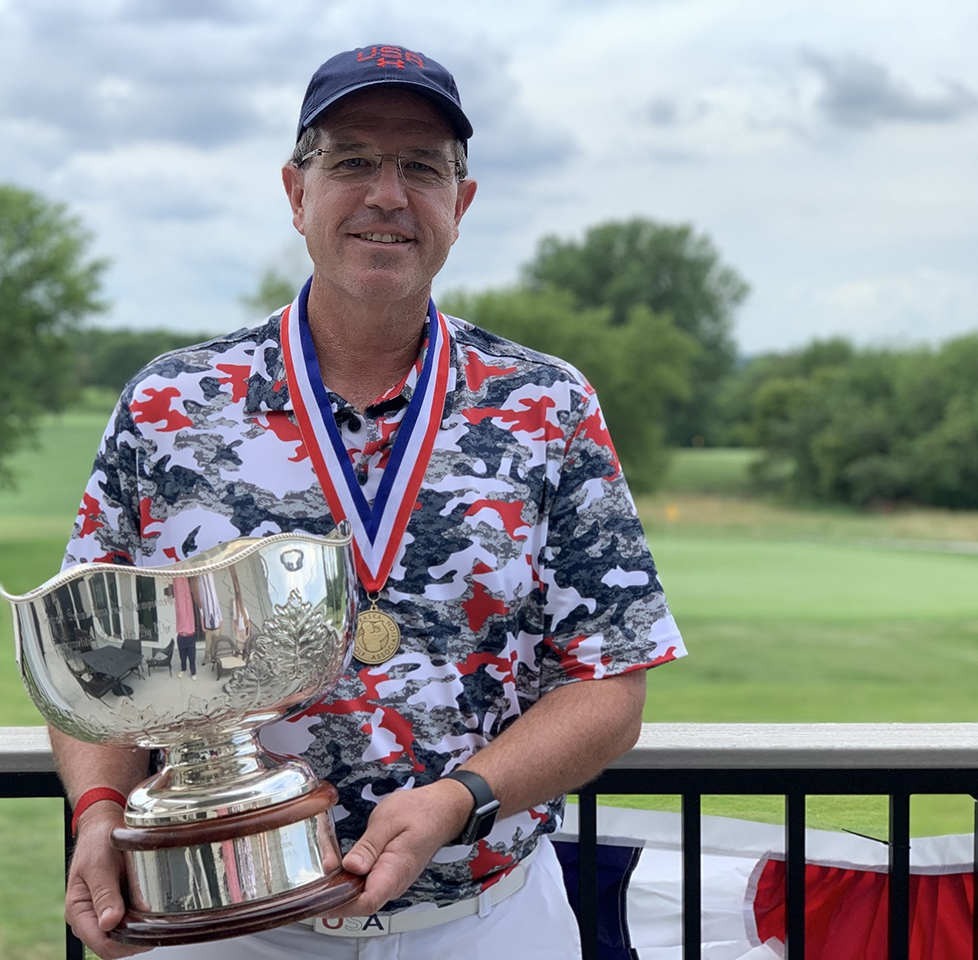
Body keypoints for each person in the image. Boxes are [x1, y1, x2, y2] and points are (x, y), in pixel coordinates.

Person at [50, 42, 686, 959]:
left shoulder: (546, 405)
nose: (388, 195)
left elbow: (610, 683)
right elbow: (98, 661)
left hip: (485, 921)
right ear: (295, 192)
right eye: (351, 161)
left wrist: (460, 799)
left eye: (422, 168)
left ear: (461, 205)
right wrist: (100, 809)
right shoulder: (169, 407)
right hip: (228, 928)